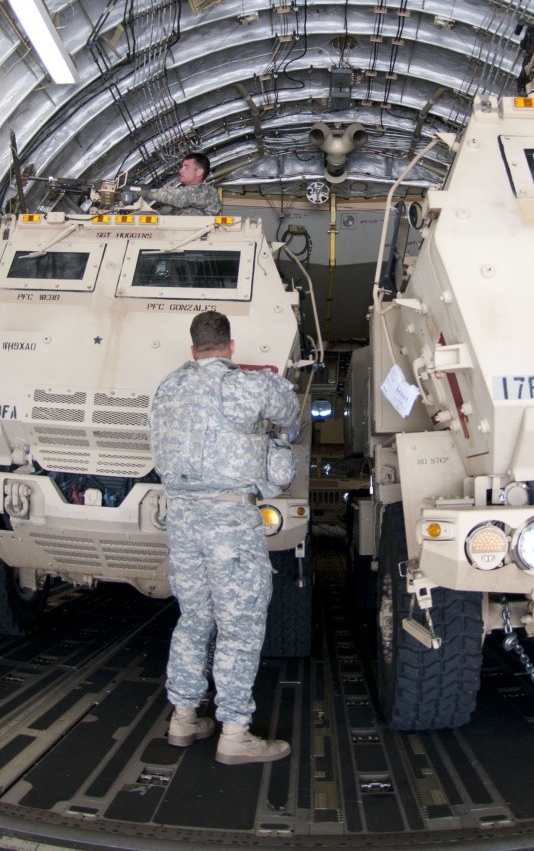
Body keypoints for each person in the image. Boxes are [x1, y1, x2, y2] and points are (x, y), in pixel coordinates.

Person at [150, 310, 301, 765]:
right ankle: (234, 732)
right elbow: (290, 415)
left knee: (194, 618)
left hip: (182, 520)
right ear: (231, 346)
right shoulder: (243, 384)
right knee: (240, 626)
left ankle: (183, 717)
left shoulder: (167, 388)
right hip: (230, 522)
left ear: (192, 348)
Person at [143, 151, 221, 215]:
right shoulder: (188, 194)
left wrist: (146, 192)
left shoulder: (205, 191)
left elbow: (179, 196)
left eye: (186, 167)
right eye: (182, 167)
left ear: (199, 172)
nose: (181, 170)